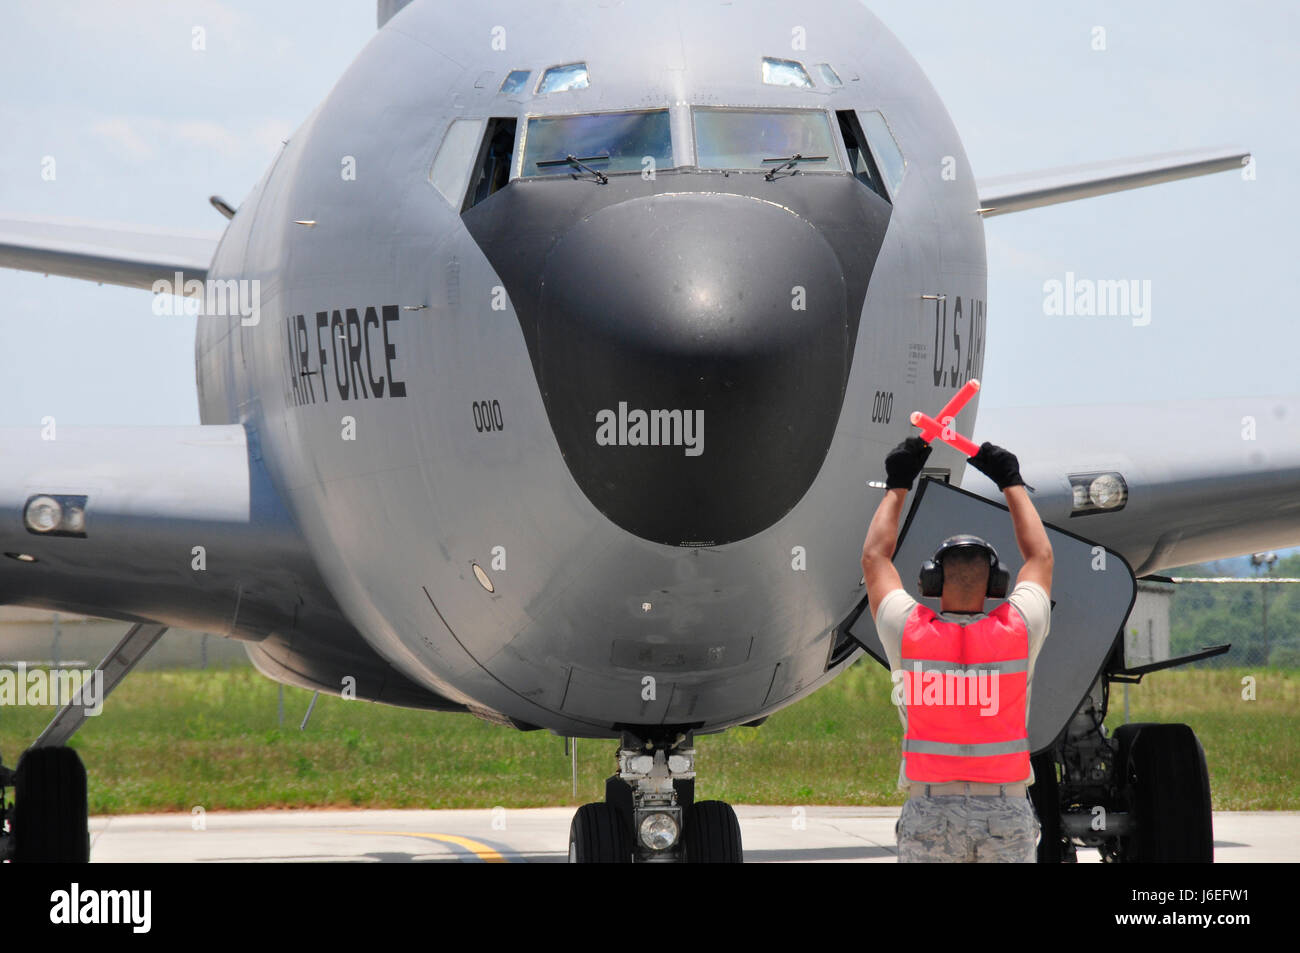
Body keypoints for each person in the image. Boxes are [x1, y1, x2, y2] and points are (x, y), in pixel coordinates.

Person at [860, 436, 1054, 862]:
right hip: (1005, 809)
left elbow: (875, 557)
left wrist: (898, 483)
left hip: (931, 811)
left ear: (930, 582)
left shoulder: (910, 633)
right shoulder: (1017, 630)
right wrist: (1010, 480)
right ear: (997, 584)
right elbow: (1039, 555)